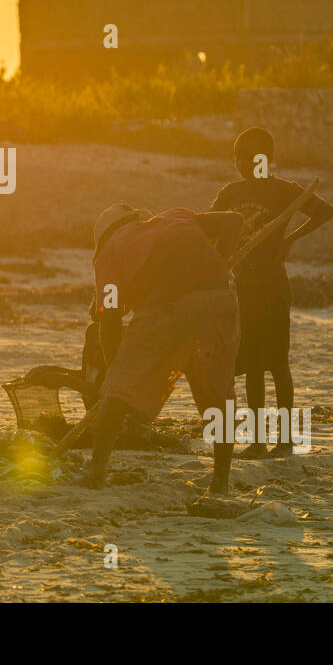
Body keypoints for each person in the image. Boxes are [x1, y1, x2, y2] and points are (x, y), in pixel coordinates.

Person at [86, 204, 243, 491]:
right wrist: (222, 260)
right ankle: (221, 479)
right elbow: (234, 220)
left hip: (165, 308)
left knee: (118, 388)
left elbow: (108, 318)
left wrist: (113, 371)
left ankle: (96, 473)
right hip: (221, 300)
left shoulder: (109, 252)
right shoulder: (178, 216)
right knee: (217, 396)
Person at [211, 127, 333, 458]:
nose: (243, 162)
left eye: (251, 156)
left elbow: (325, 212)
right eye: (238, 156)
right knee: (250, 363)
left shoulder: (285, 191)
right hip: (241, 285)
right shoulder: (231, 193)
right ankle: (258, 442)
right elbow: (209, 228)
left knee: (277, 363)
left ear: (267, 158)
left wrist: (289, 239)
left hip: (273, 285)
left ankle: (287, 441)